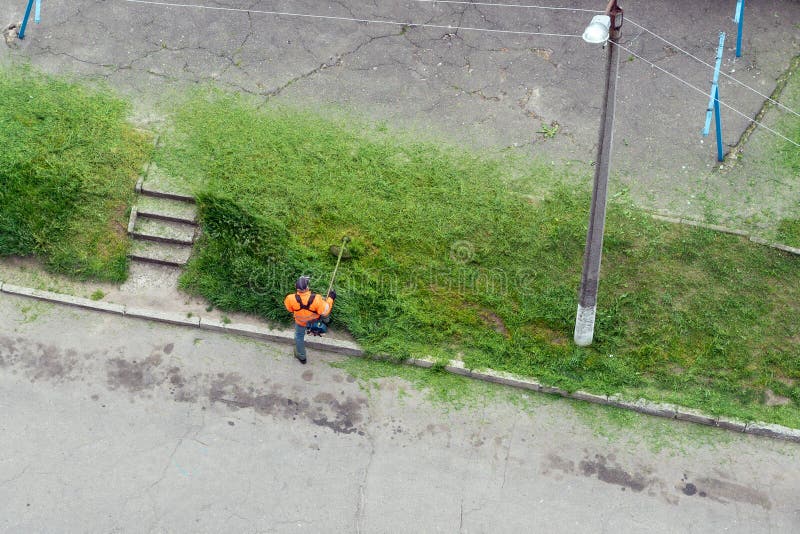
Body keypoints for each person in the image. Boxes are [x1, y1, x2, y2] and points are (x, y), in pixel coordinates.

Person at [284, 276, 336, 364]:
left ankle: (302, 357)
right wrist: (331, 298)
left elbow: (289, 309)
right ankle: (326, 323)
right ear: (307, 287)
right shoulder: (316, 299)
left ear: (296, 287)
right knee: (324, 310)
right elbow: (326, 311)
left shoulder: (290, 298)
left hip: (300, 322)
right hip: (314, 320)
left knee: (299, 337)